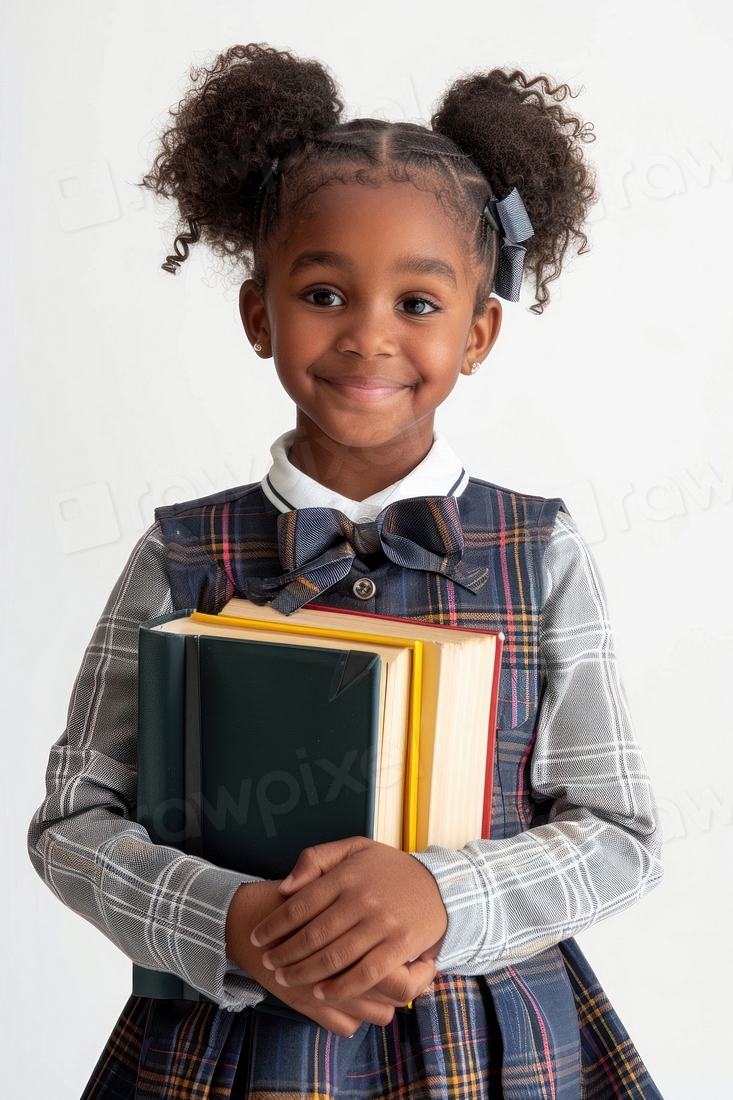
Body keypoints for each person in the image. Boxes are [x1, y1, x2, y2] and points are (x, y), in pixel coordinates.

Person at [27, 42, 666, 1100]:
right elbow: (72, 824)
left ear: (478, 331)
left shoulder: (540, 549)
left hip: (491, 1048)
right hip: (234, 1044)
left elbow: (621, 834)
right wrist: (226, 918)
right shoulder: (178, 554)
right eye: (324, 291)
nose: (368, 335)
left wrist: (440, 892)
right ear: (258, 312)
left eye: (417, 304)